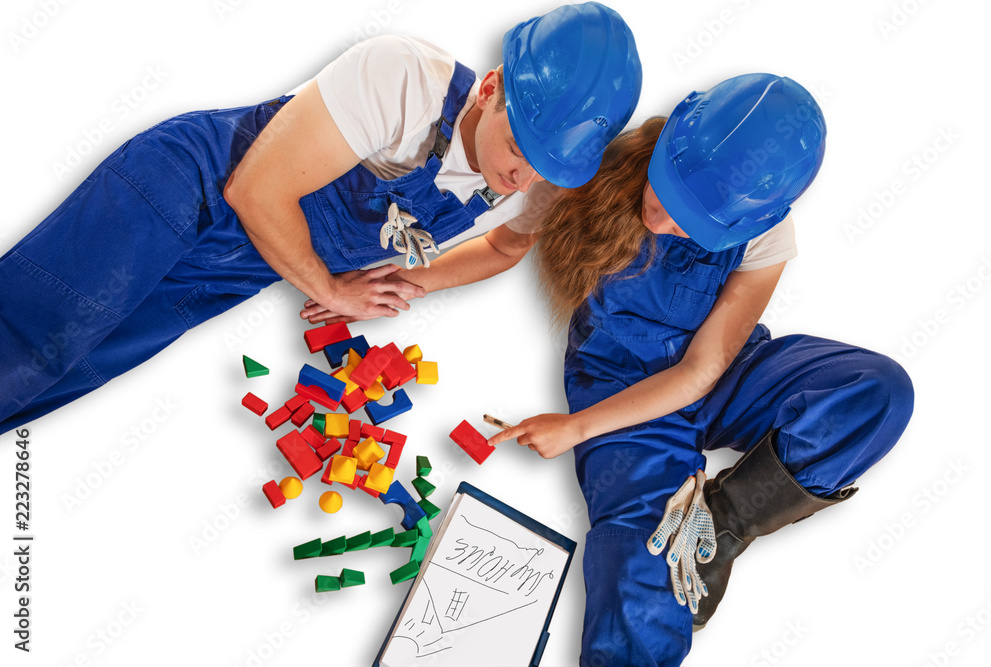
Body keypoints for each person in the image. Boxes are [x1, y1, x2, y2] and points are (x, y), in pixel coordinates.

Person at [0, 2, 642, 434]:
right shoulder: (404, 79)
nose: (523, 179)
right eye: (520, 152)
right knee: (26, 345)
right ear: (493, 87)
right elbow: (255, 190)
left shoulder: (548, 177)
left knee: (63, 378)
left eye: (549, 170)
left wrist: (404, 288)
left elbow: (505, 248)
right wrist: (329, 287)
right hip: (184, 191)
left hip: (242, 266)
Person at [487, 74, 915, 666]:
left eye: (692, 225)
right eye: (662, 201)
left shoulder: (767, 230)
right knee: (642, 572)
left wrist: (575, 429)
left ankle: (724, 523)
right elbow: (501, 242)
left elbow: (703, 368)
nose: (662, 225)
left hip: (719, 370)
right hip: (621, 385)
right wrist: (410, 277)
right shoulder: (601, 159)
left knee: (879, 393)